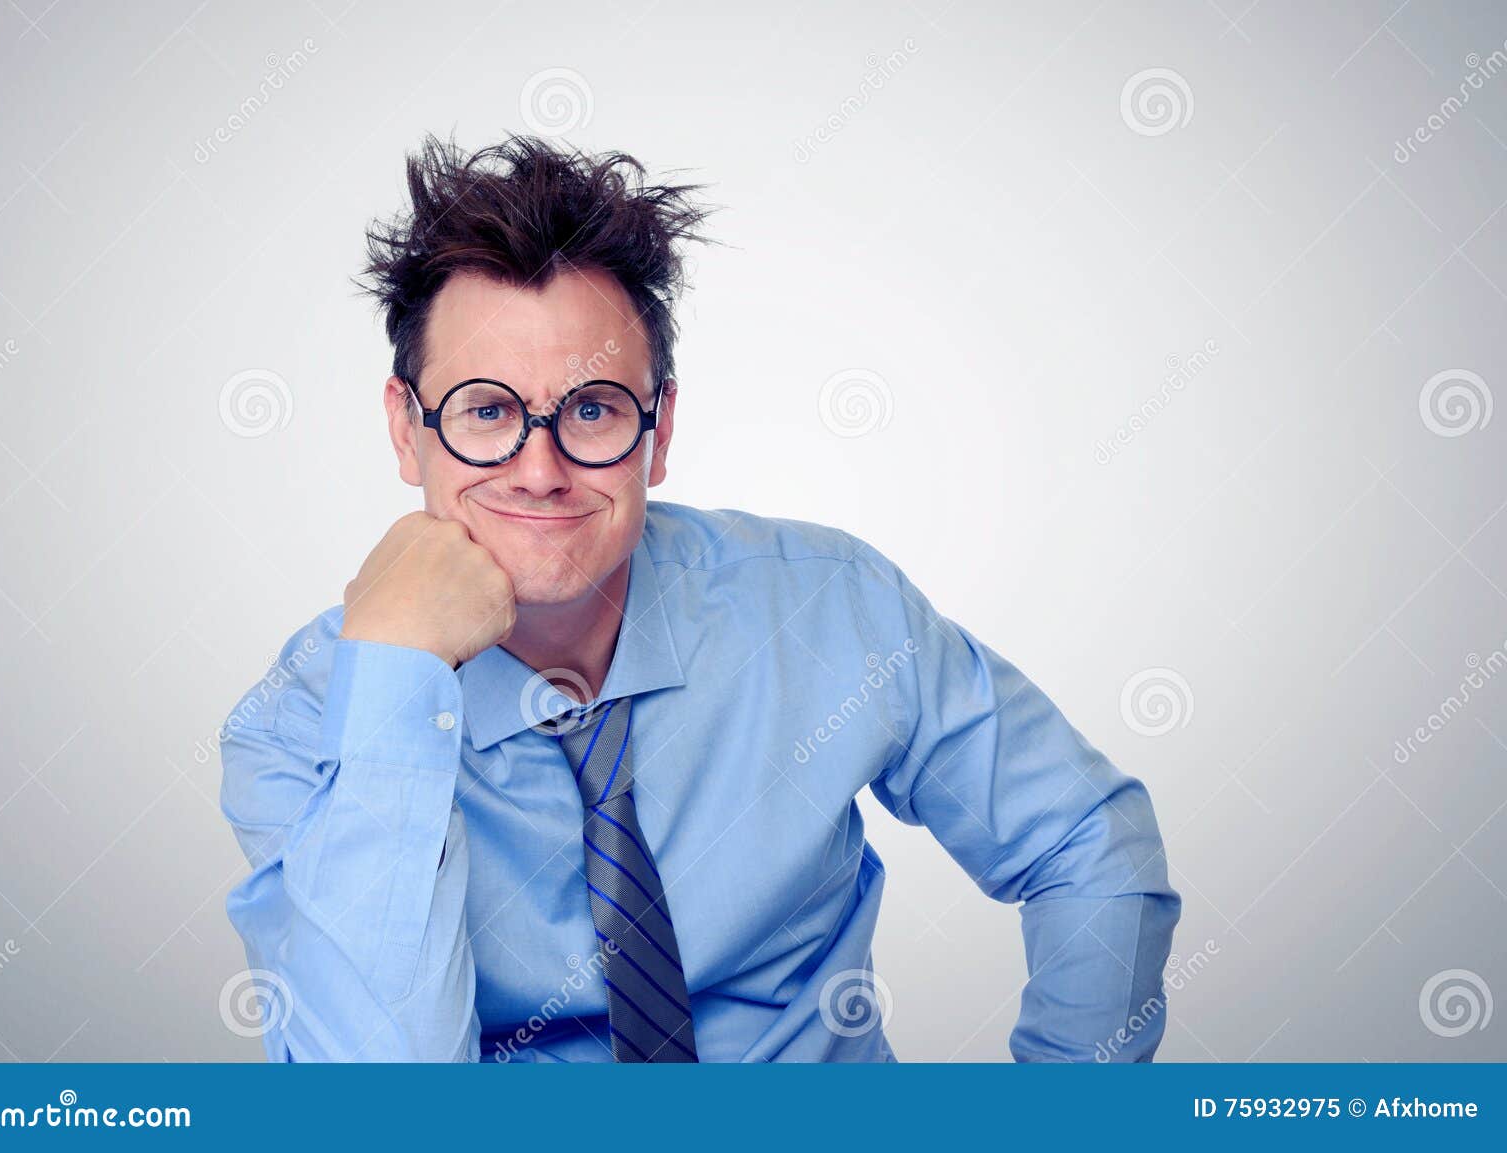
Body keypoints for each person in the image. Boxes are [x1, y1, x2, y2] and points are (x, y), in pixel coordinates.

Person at [218, 134, 1180, 1062]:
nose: (540, 469)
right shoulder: (303, 722)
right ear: (406, 427)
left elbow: (1086, 840)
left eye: (592, 409)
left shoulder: (828, 607)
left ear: (660, 427)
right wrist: (393, 679)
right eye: (487, 411)